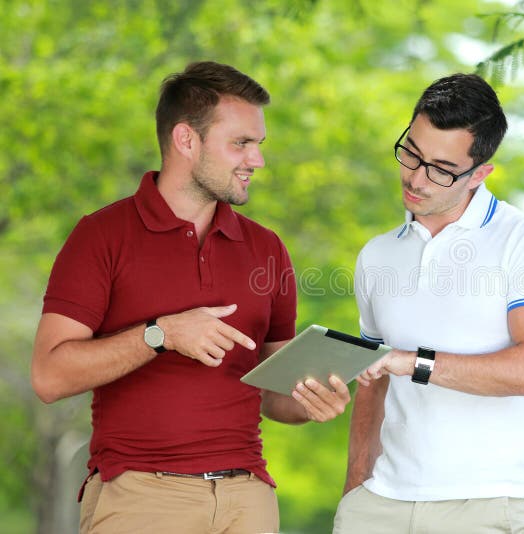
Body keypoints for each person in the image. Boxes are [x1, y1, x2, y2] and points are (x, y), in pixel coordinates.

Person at [31, 61, 351, 534]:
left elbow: (272, 392)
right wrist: (162, 334)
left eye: (258, 145)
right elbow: (49, 377)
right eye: (241, 143)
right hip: (140, 496)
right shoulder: (102, 235)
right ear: (186, 140)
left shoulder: (267, 248)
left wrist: (309, 402)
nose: (256, 160)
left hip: (248, 499)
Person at [333, 73, 524, 534]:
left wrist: (414, 362)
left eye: (440, 169)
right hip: (378, 506)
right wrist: (355, 487)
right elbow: (373, 380)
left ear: (480, 173)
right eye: (412, 154)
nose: (415, 178)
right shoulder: (377, 254)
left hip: (483, 507)